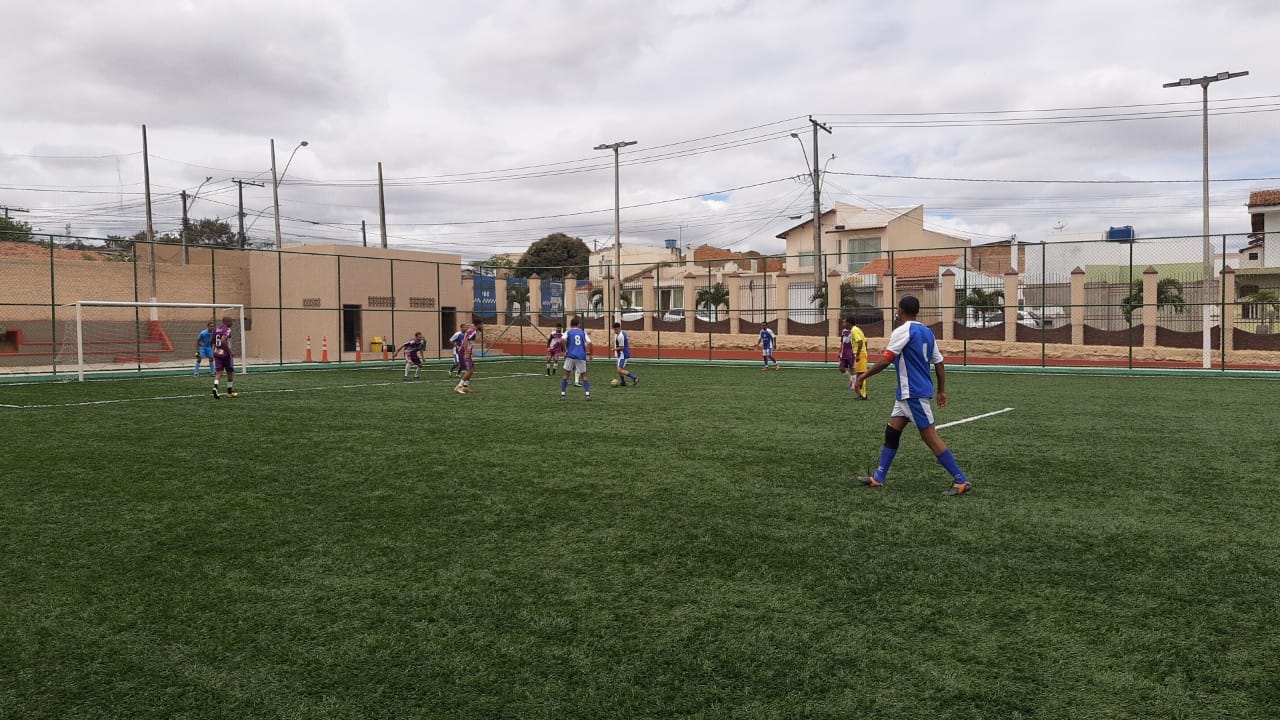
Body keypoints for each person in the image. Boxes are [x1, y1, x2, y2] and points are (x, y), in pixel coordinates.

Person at [854, 295, 972, 495]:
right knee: (892, 432)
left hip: (913, 394)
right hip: (906, 395)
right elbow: (939, 363)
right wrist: (941, 390)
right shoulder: (927, 332)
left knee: (930, 437)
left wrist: (862, 377)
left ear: (900, 311)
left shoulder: (902, 331)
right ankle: (878, 477)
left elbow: (885, 360)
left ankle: (961, 480)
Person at [560, 316, 592, 401]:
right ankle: (587, 395)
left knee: (566, 374)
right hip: (581, 356)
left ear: (570, 325)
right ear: (578, 324)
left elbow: (562, 340)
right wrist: (591, 355)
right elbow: (590, 343)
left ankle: (563, 394)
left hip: (570, 355)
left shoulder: (568, 332)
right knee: (584, 375)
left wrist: (564, 350)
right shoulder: (583, 332)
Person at [840, 317, 869, 399]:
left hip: (860, 354)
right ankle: (862, 394)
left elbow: (860, 342)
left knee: (861, 375)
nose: (844, 324)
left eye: (845, 322)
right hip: (862, 353)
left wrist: (859, 354)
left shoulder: (854, 330)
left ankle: (863, 395)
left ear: (849, 323)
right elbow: (864, 341)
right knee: (860, 375)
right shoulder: (856, 329)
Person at [211, 315, 238, 399]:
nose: (232, 323)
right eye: (231, 321)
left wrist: (215, 348)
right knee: (229, 372)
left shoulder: (216, 329)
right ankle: (229, 392)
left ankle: (215, 387)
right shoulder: (227, 329)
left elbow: (212, 340)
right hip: (225, 354)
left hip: (217, 352)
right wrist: (230, 352)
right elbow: (223, 340)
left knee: (219, 372)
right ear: (227, 322)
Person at [454, 319, 481, 394]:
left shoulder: (472, 330)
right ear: (479, 325)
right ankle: (459, 387)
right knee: (469, 370)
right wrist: (466, 352)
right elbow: (466, 340)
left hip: (466, 352)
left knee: (471, 370)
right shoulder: (473, 331)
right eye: (481, 325)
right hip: (464, 352)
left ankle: (465, 387)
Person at [612, 321, 639, 387]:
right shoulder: (623, 333)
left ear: (618, 328)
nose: (614, 331)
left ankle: (634, 377)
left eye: (615, 329)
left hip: (622, 355)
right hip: (623, 354)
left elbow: (622, 347)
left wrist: (614, 349)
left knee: (620, 370)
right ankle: (623, 382)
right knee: (619, 370)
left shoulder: (620, 336)